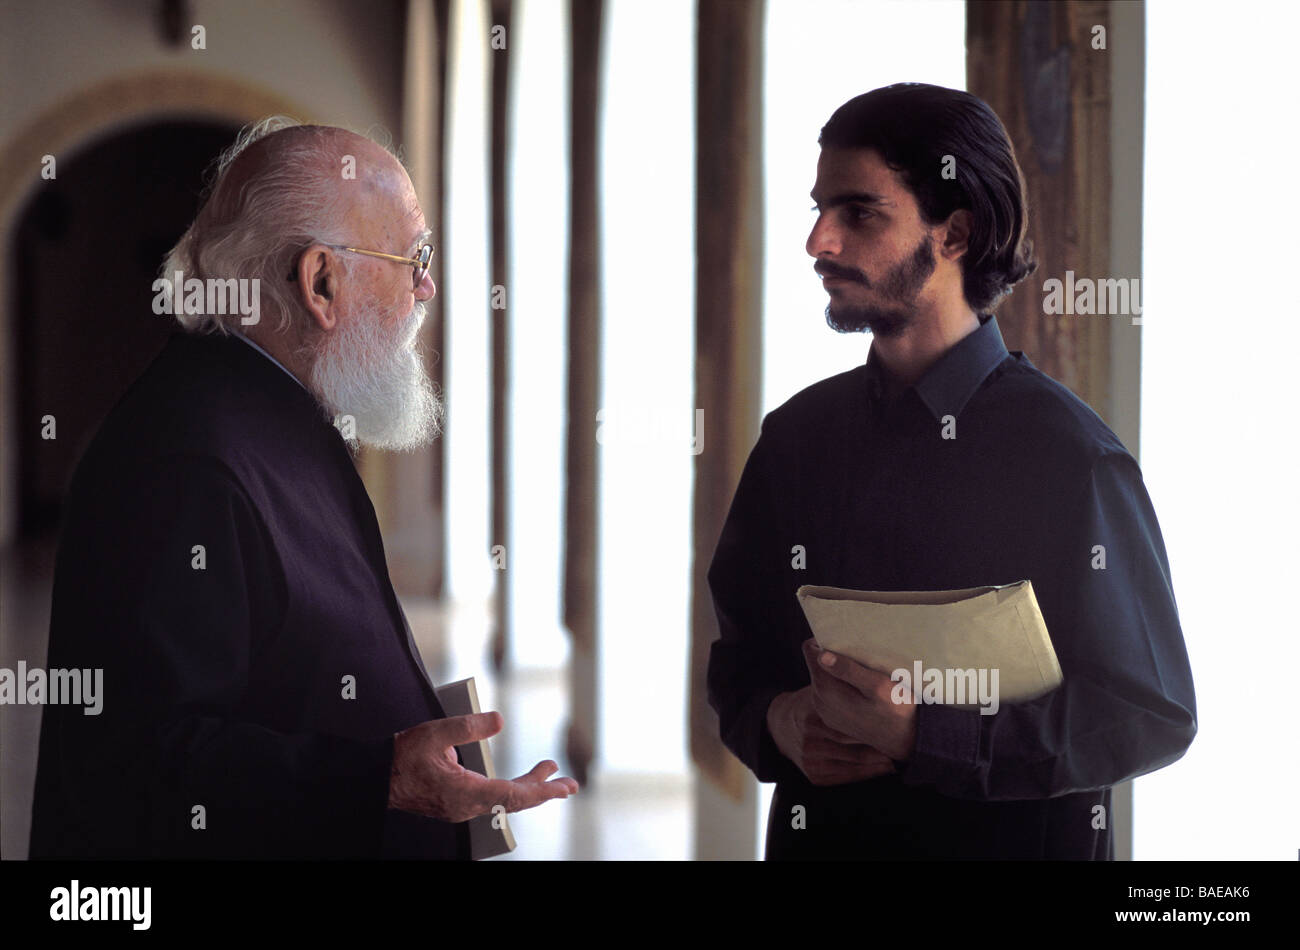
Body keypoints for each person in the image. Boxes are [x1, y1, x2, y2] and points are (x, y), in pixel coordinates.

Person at [29, 118, 577, 859]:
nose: (427, 286)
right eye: (414, 255)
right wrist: (381, 779)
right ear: (320, 281)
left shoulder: (268, 409)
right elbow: (145, 764)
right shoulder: (191, 461)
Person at [706, 83, 1196, 860]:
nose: (819, 242)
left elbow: (1147, 712)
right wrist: (781, 722)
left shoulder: (1073, 458)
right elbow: (738, 667)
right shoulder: (795, 439)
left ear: (956, 233)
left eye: (859, 212)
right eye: (818, 211)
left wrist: (927, 735)